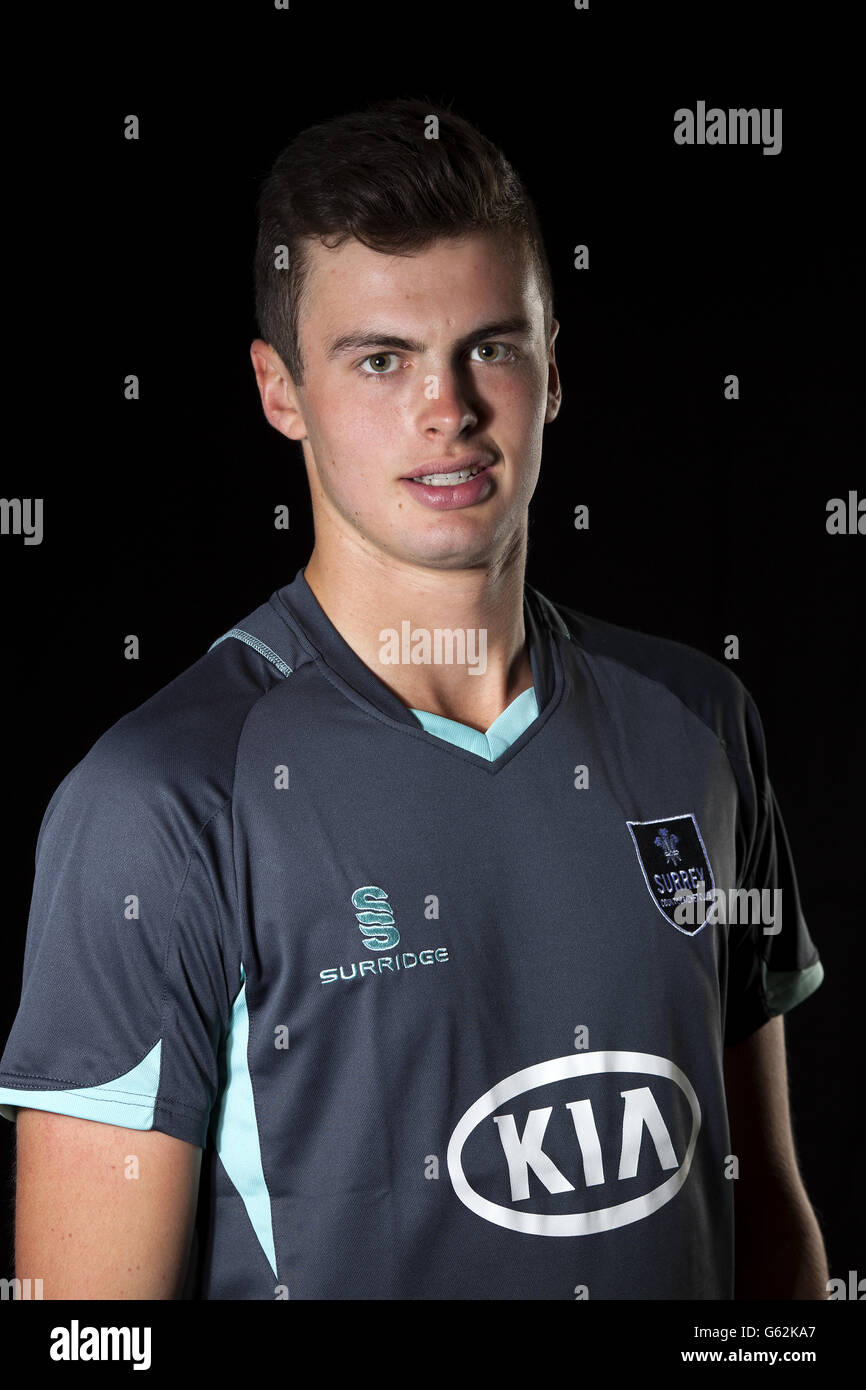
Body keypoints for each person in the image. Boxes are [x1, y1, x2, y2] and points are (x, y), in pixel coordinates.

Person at [0, 97, 828, 1300]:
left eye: (489, 345)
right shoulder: (161, 800)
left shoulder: (695, 722)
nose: (447, 408)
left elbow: (765, 1226)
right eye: (379, 359)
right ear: (280, 391)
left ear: (554, 370)